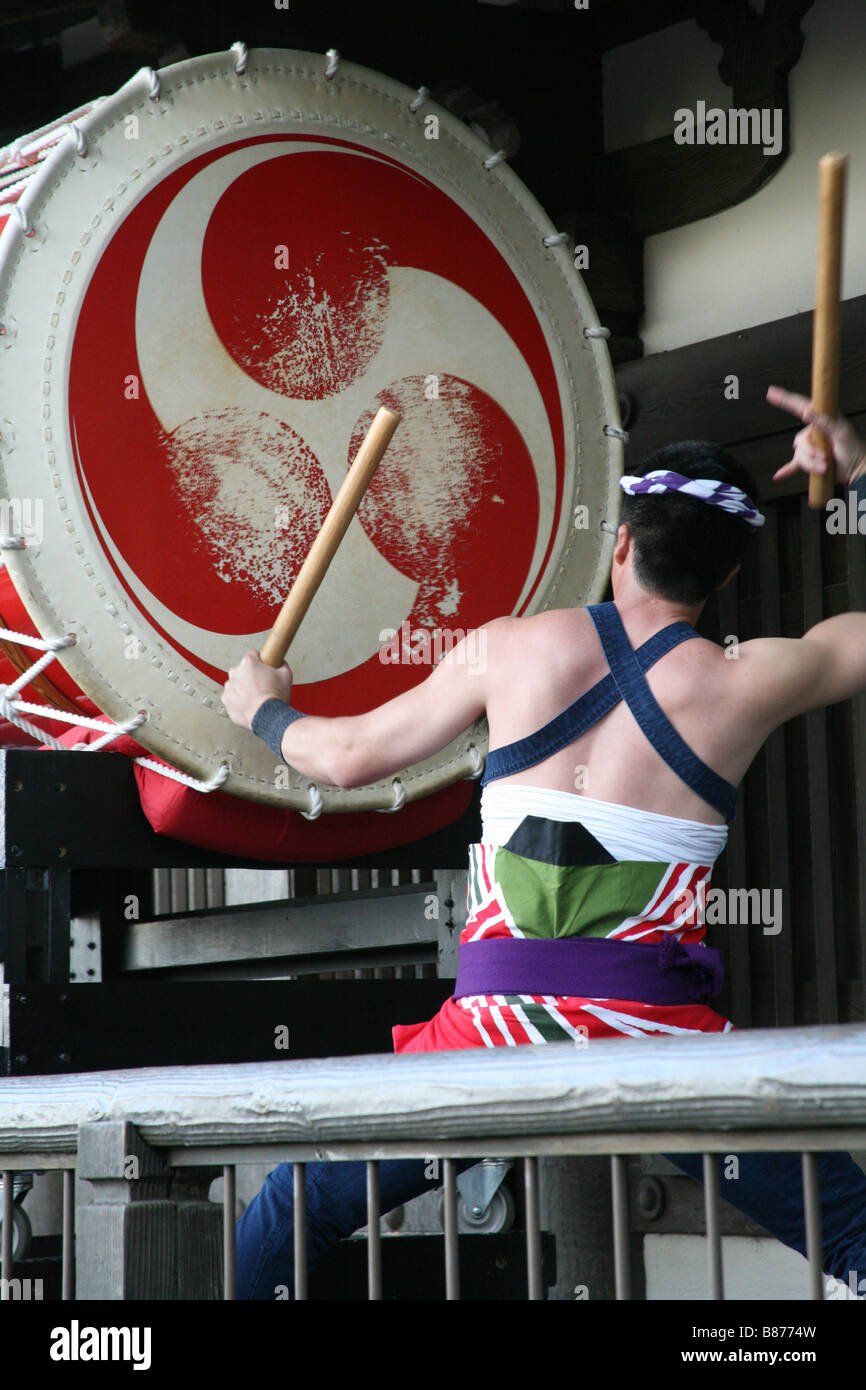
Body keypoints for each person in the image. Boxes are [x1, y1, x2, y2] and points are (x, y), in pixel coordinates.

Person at [221, 388, 866, 1300]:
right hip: (656, 1041)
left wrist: (262, 708)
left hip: (485, 1035)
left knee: (293, 1207)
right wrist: (858, 472)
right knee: (854, 1230)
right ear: (723, 579)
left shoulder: (508, 650)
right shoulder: (747, 681)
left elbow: (346, 755)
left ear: (626, 545)